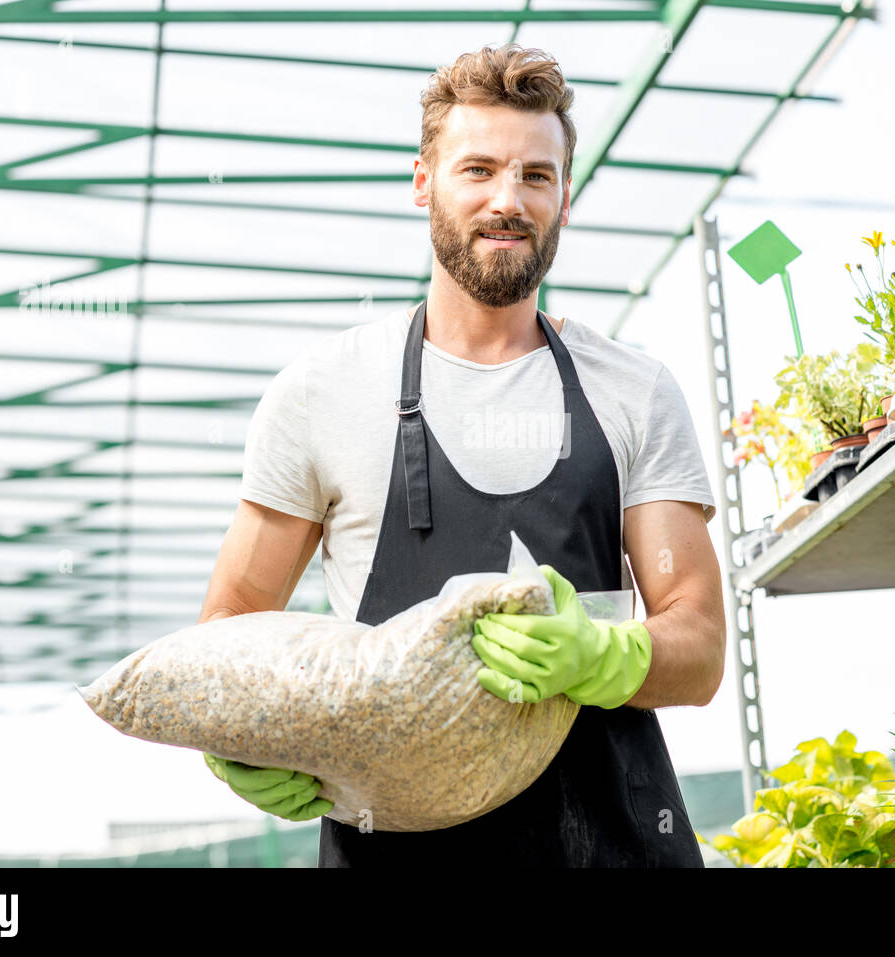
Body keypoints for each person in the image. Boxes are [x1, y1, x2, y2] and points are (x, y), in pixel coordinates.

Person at [198, 42, 726, 867]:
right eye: (477, 169)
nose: (507, 201)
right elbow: (228, 625)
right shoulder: (321, 394)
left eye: (536, 176)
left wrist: (609, 654)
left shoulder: (635, 391)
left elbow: (699, 643)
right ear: (424, 181)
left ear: (564, 195)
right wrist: (237, 739)